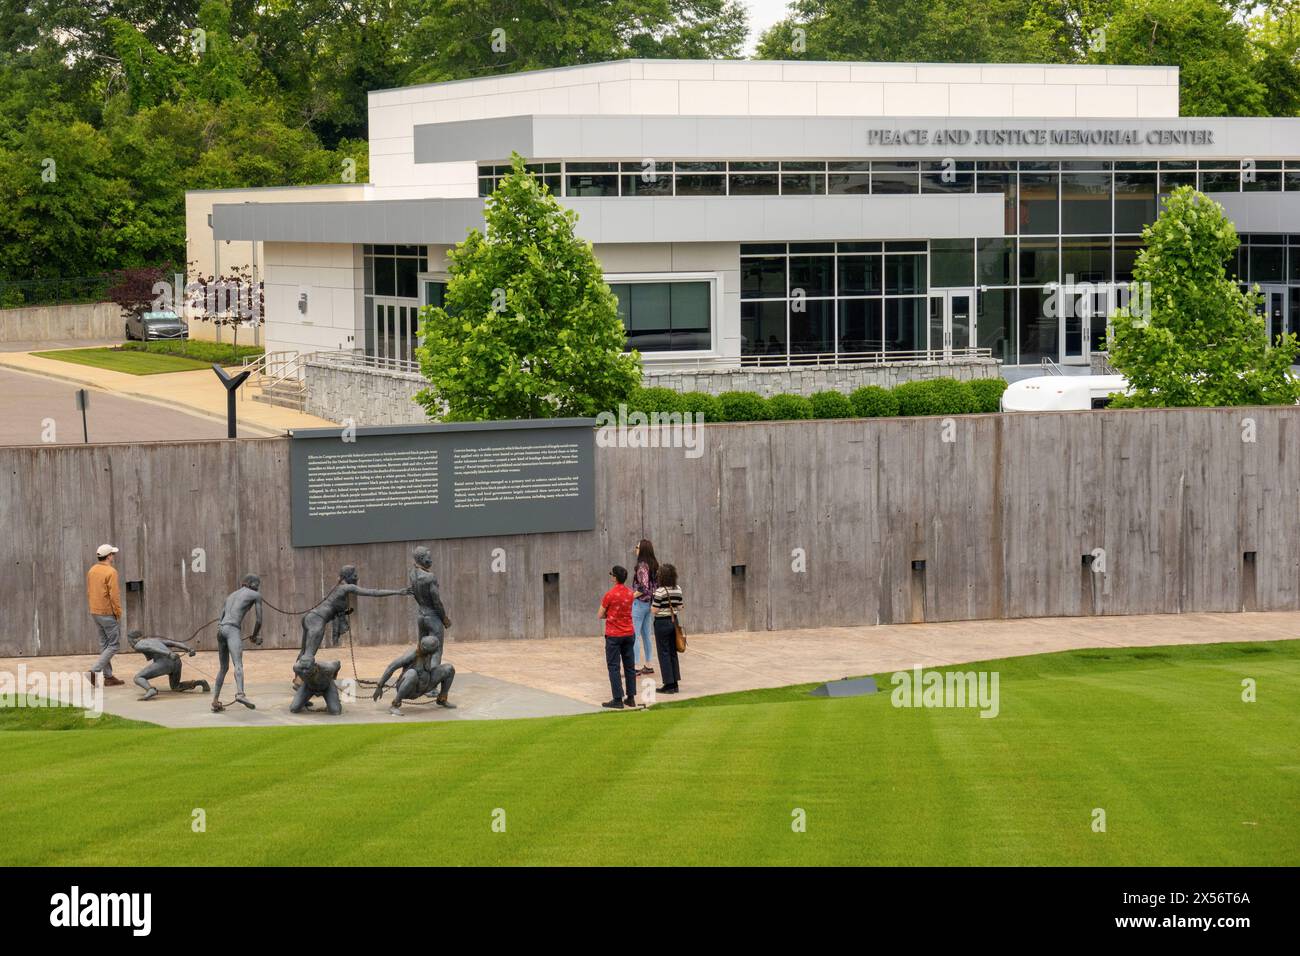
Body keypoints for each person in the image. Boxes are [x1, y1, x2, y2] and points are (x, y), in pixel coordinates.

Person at [213, 574, 264, 712]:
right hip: (232, 629)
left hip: (221, 629)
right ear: (251, 583)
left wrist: (223, 628)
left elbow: (220, 618)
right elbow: (259, 620)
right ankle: (240, 694)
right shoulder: (255, 595)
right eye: (257, 583)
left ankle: (215, 701)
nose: (259, 586)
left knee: (223, 668)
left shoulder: (230, 596)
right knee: (238, 664)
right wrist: (254, 636)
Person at [127, 631, 209, 700]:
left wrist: (169, 654)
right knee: (175, 686)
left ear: (134, 639)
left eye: (129, 641)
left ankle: (150, 690)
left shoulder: (138, 644)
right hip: (176, 661)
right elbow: (174, 643)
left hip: (165, 663)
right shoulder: (154, 640)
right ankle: (200, 682)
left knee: (138, 678)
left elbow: (150, 648)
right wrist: (189, 649)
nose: (130, 644)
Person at [86, 544, 125, 687]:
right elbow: (114, 595)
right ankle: (94, 671)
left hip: (95, 612)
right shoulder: (111, 572)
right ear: (108, 556)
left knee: (105, 644)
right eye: (112, 554)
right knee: (114, 645)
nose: (113, 556)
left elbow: (89, 591)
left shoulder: (92, 570)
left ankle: (108, 677)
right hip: (107, 613)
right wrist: (118, 611)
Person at [598, 565, 637, 710]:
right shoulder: (630, 593)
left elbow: (600, 614)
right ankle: (631, 698)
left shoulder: (610, 594)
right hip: (628, 633)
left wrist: (611, 615)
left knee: (614, 666)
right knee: (629, 666)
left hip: (614, 634)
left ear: (614, 577)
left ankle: (617, 699)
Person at [651, 563, 684, 694]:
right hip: (674, 621)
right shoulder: (678, 589)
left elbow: (654, 610)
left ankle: (668, 685)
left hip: (662, 623)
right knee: (672, 652)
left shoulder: (659, 591)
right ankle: (675, 683)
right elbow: (680, 607)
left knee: (663, 653)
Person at [631, 539, 659, 677]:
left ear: (641, 549)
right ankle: (648, 664)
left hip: (640, 603)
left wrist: (631, 596)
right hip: (650, 603)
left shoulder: (642, 566)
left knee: (634, 635)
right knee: (646, 635)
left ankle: (635, 666)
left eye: (636, 547)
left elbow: (643, 587)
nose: (634, 549)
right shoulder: (653, 565)